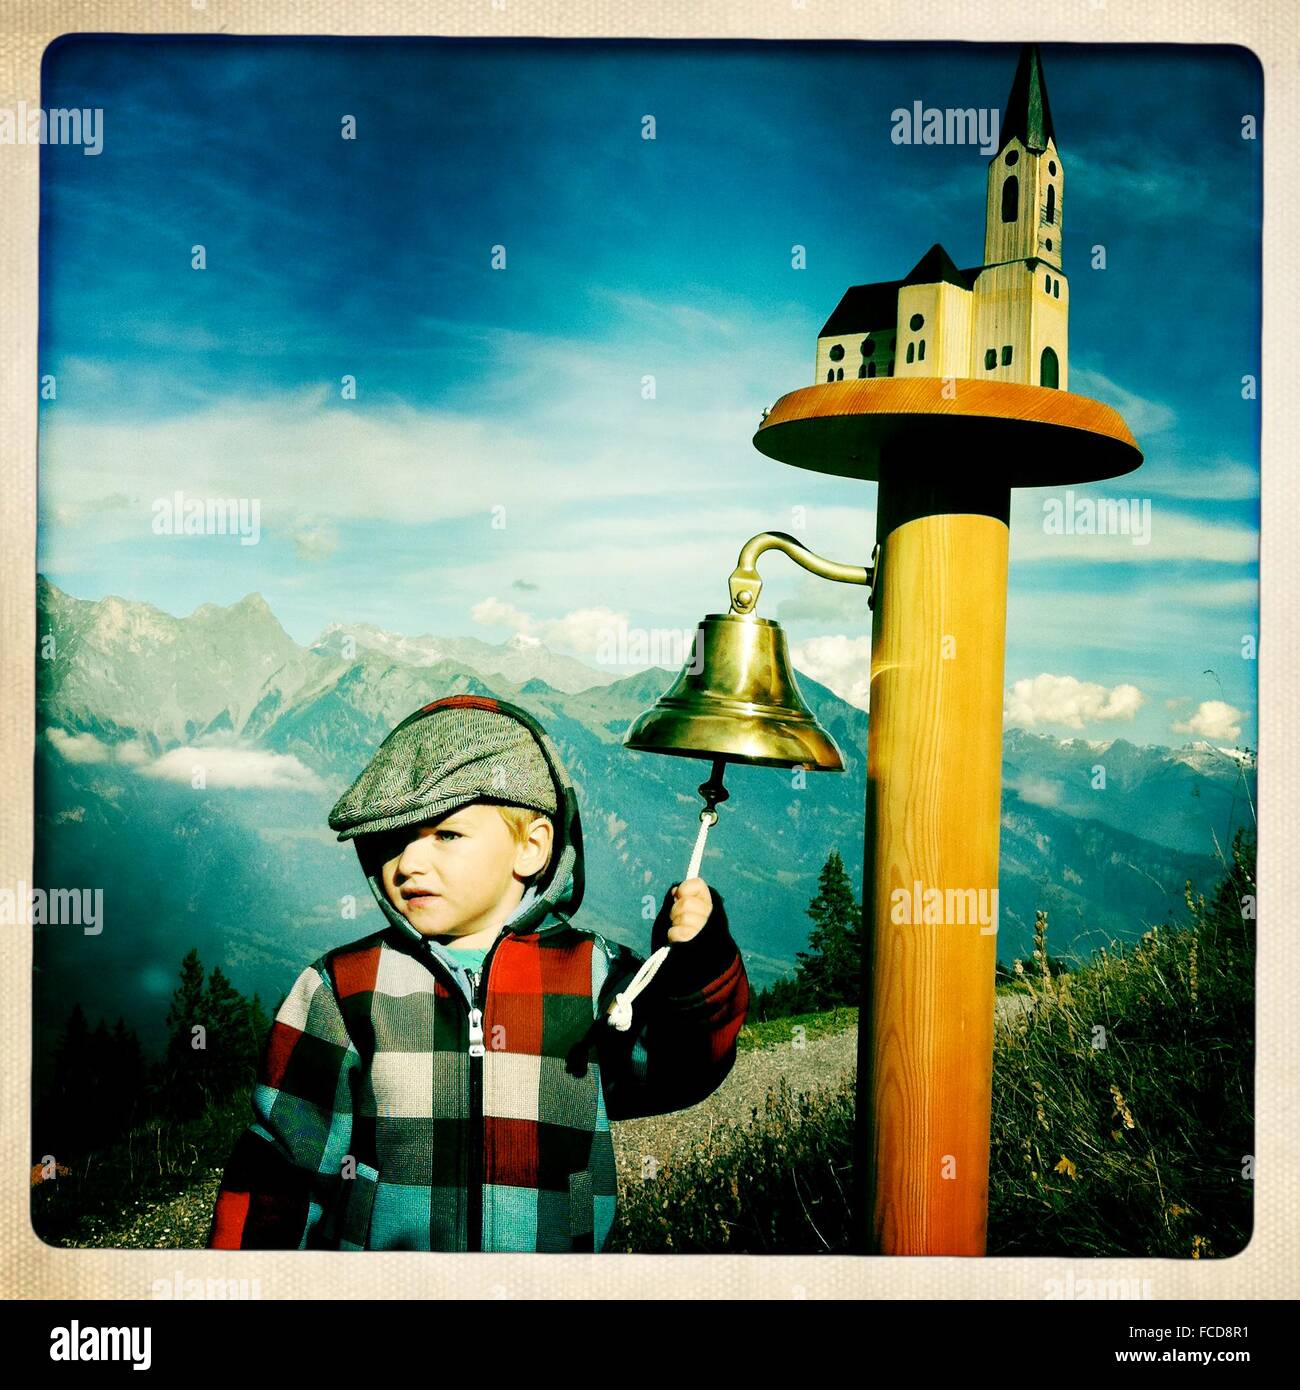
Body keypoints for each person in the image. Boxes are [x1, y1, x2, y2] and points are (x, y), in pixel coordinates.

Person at [206, 693, 749, 1252]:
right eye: (393, 839)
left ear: (532, 847)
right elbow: (278, 1173)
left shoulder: (595, 978)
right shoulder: (341, 990)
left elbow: (683, 1066)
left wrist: (695, 965)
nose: (409, 863)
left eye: (446, 834)